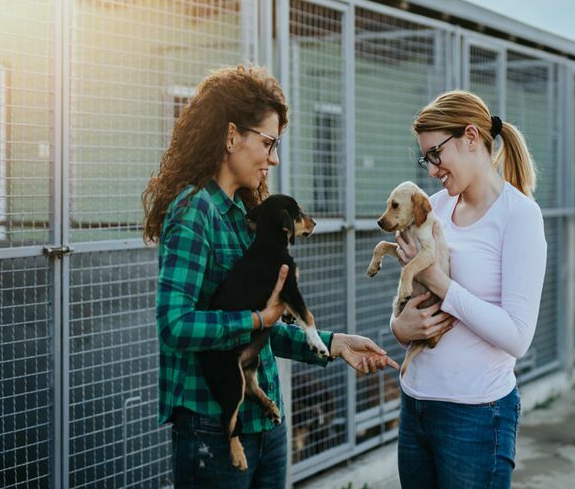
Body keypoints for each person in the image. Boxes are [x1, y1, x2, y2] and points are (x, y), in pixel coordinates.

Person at [143, 64, 398, 488]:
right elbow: (175, 325)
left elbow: (259, 326)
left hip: (266, 421)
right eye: (268, 142)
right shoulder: (194, 213)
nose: (274, 157)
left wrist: (333, 344)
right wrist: (259, 320)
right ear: (230, 136)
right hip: (213, 427)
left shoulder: (247, 215)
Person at [390, 90, 548, 488]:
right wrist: (399, 327)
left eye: (436, 153)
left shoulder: (520, 216)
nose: (431, 169)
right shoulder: (436, 208)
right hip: (415, 403)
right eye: (425, 158)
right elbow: (410, 297)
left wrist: (441, 284)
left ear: (472, 137)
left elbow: (517, 336)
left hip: (476, 416)